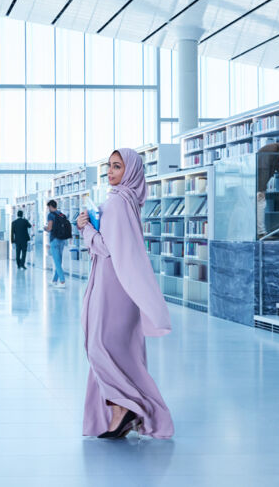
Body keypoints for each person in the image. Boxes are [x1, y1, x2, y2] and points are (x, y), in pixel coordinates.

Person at [76, 148, 173, 439]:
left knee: (99, 345)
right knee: (120, 350)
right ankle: (120, 412)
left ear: (129, 171)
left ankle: (126, 407)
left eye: (117, 167)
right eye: (109, 166)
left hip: (112, 285)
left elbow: (106, 248)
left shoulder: (117, 203)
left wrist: (85, 230)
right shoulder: (129, 202)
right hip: (122, 285)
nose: (111, 172)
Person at [45, 200, 71, 286]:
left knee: (56, 261)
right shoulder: (61, 214)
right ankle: (54, 280)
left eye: (48, 207)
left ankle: (62, 281)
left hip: (54, 240)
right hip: (62, 240)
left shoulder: (50, 215)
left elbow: (49, 228)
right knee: (59, 261)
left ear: (50, 206)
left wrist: (45, 228)